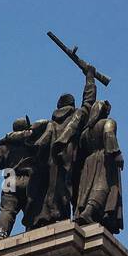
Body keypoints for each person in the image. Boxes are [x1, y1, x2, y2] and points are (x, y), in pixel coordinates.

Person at [26, 64, 96, 228]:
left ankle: (45, 216)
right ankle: (58, 215)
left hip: (50, 159)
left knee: (50, 186)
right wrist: (90, 78)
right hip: (68, 156)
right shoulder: (77, 114)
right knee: (65, 186)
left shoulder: (51, 124)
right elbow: (88, 102)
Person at [0, 115, 47, 240]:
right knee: (32, 210)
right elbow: (45, 123)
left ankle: (1, 234)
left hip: (10, 179)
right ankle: (32, 234)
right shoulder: (32, 140)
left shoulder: (4, 146)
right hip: (29, 179)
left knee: (7, 210)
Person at [73, 97, 123, 234]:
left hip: (88, 163)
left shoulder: (85, 133)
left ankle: (88, 212)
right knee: (103, 186)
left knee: (88, 189)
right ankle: (89, 211)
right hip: (104, 159)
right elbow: (109, 135)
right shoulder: (108, 122)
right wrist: (117, 153)